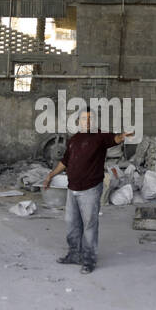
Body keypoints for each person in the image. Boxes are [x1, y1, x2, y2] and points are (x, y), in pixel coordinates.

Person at [42, 111, 131, 274]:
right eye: (84, 118)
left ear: (95, 121)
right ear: (79, 122)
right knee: (71, 223)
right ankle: (74, 254)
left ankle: (89, 260)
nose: (88, 121)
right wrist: (50, 175)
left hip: (90, 188)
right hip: (72, 188)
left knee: (89, 225)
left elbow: (115, 139)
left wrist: (122, 136)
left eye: (91, 118)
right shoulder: (74, 139)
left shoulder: (100, 137)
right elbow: (65, 162)